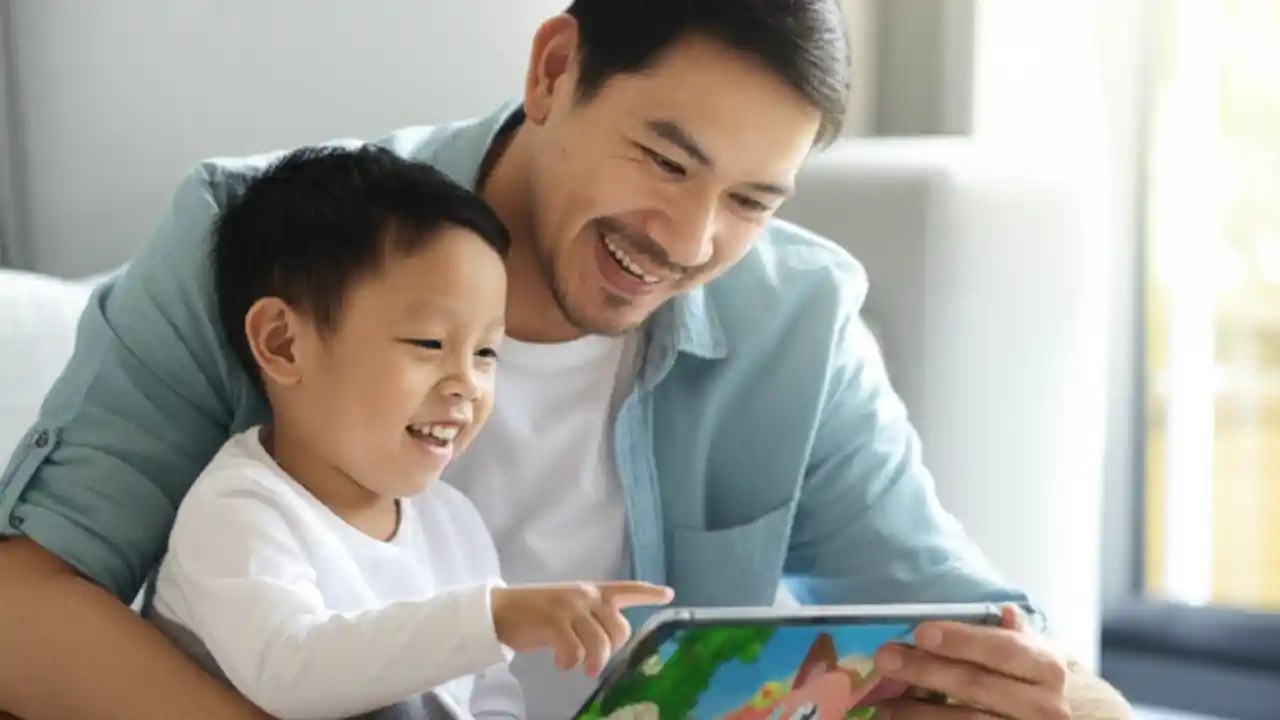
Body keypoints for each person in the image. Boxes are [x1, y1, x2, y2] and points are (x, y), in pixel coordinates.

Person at [0, 2, 1129, 718]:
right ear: (553, 69)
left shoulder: (796, 321)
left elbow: (970, 622)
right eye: (663, 158)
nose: (687, 244)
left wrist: (1064, 703)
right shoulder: (266, 242)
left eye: (747, 200)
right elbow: (23, 605)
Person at [143, 145, 672, 719]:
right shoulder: (239, 510)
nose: (467, 383)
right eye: (429, 344)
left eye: (489, 352)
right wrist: (495, 618)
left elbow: (491, 700)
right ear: (283, 343)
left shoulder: (454, 525)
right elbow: (290, 670)